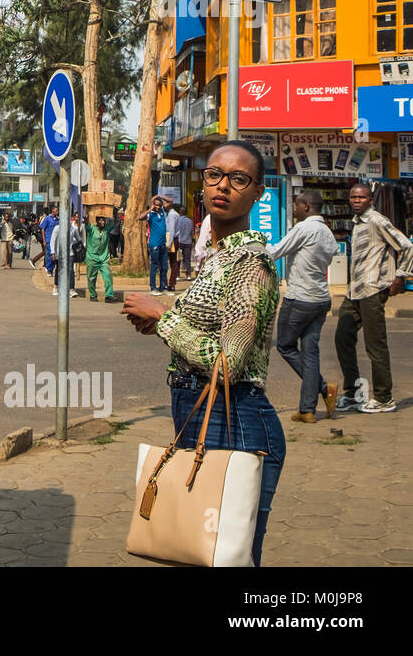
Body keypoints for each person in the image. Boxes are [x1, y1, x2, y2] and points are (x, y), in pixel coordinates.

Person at [121, 140, 283, 567]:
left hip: (237, 420)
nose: (223, 186)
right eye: (214, 174)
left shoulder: (250, 263)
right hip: (199, 408)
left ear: (257, 192)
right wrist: (162, 321)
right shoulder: (216, 254)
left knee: (227, 555)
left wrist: (164, 318)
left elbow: (228, 365)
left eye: (238, 178)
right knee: (196, 548)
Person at [333, 181, 413, 414]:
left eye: (361, 198)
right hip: (354, 291)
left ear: (370, 200)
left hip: (373, 290)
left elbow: (406, 246)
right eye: (353, 197)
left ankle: (384, 397)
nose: (356, 201)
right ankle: (353, 392)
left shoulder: (378, 221)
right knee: (342, 338)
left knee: (375, 345)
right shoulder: (357, 223)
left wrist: (400, 277)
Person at [268, 190, 339, 423]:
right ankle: (307, 410)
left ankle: (321, 390)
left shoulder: (304, 228)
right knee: (310, 353)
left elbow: (275, 252)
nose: (294, 209)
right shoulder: (328, 232)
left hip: (299, 298)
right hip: (321, 299)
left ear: (307, 206)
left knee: (286, 346)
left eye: (296, 205)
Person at [139, 195, 169, 296]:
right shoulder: (150, 214)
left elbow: (171, 201)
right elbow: (140, 217)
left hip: (162, 244)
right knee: (154, 266)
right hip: (154, 245)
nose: (158, 207)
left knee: (164, 267)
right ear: (153, 205)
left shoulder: (162, 212)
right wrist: (150, 209)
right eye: (156, 205)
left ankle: (163, 287)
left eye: (160, 205)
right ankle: (153, 288)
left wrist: (160, 196)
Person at [86, 214, 119, 303]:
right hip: (92, 258)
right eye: (100, 221)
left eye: (103, 220)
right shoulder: (92, 228)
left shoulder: (107, 229)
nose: (103, 222)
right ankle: (93, 295)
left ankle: (109, 295)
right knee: (91, 278)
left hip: (104, 258)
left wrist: (112, 211)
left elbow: (114, 221)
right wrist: (87, 212)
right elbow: (86, 222)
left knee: (108, 275)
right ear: (96, 222)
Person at [50, 210, 80, 298]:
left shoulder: (73, 229)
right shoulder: (57, 228)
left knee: (70, 270)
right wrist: (53, 252)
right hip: (59, 253)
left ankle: (71, 289)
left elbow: (78, 239)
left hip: (70, 253)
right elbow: (52, 241)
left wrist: (77, 247)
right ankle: (56, 287)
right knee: (59, 269)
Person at [168, 203, 195, 288]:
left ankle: (178, 275)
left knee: (178, 259)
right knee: (187, 259)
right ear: (186, 212)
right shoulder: (190, 221)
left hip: (179, 242)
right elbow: (192, 232)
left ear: (180, 212)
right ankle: (189, 275)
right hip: (188, 242)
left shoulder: (178, 220)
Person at [37, 206, 59, 276]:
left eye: (57, 211)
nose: (57, 212)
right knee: (50, 254)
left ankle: (50, 268)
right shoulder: (47, 219)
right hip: (48, 239)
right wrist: (44, 240)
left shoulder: (58, 219)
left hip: (56, 240)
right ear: (52, 210)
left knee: (54, 254)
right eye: (56, 210)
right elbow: (43, 229)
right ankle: (49, 269)